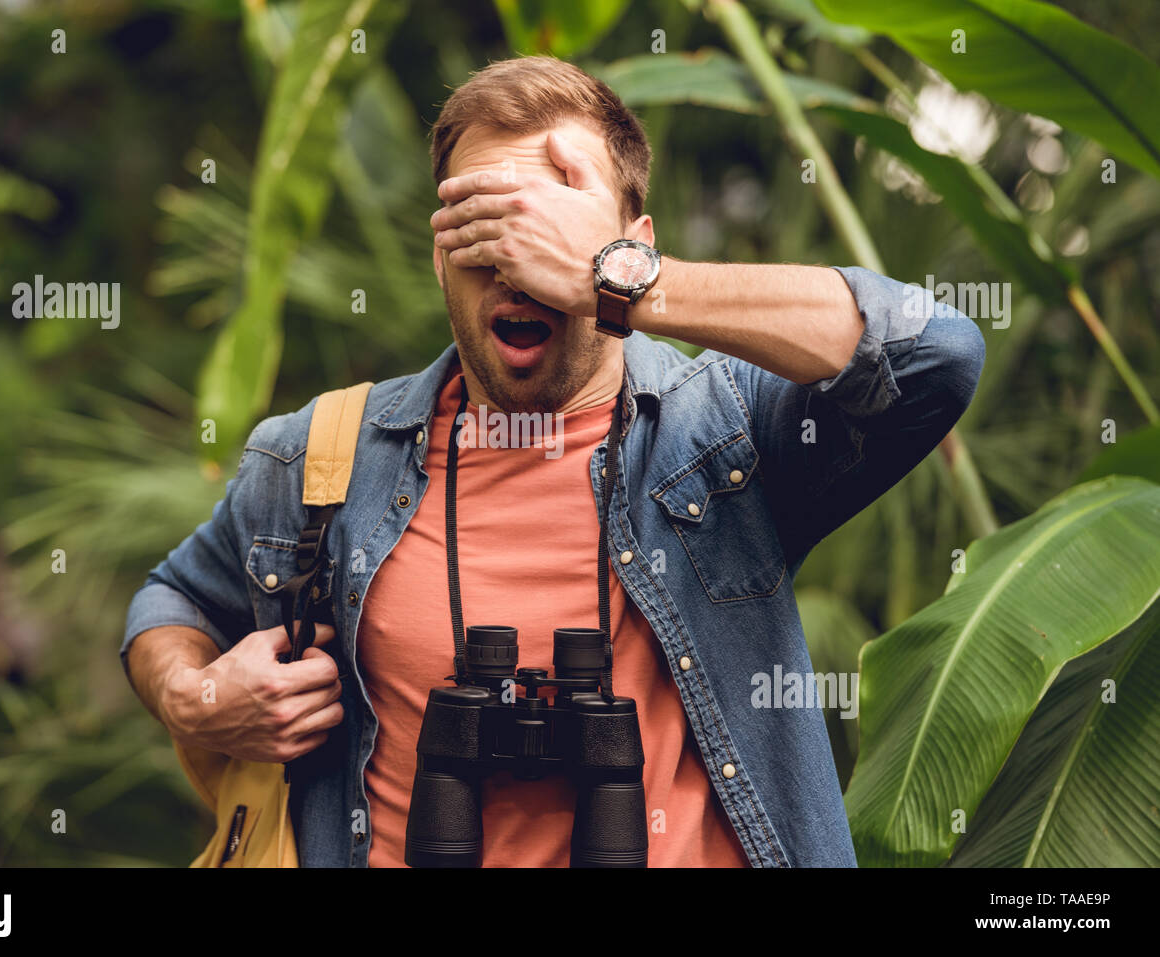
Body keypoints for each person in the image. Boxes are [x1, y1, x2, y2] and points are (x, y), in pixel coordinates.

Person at [121, 55, 985, 867]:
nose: (516, 266)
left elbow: (935, 355)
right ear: (439, 255)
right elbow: (173, 602)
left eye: (546, 229)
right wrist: (198, 699)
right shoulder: (322, 456)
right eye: (482, 226)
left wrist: (622, 281)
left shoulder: (729, 434)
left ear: (633, 241)